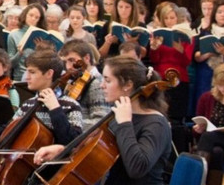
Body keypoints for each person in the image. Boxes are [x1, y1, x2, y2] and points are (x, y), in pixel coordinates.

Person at [33, 56, 173, 185]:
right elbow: (98, 155)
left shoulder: (156, 124)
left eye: (107, 80)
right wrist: (64, 151)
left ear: (127, 85)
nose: (101, 85)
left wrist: (125, 124)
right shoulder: (117, 115)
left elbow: (137, 168)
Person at [0, 50, 85, 183]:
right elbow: (9, 128)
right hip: (21, 173)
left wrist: (55, 109)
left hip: (49, 176)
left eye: (32, 72)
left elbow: (73, 143)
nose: (26, 77)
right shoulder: (29, 104)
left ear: (49, 73)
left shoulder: (70, 105)